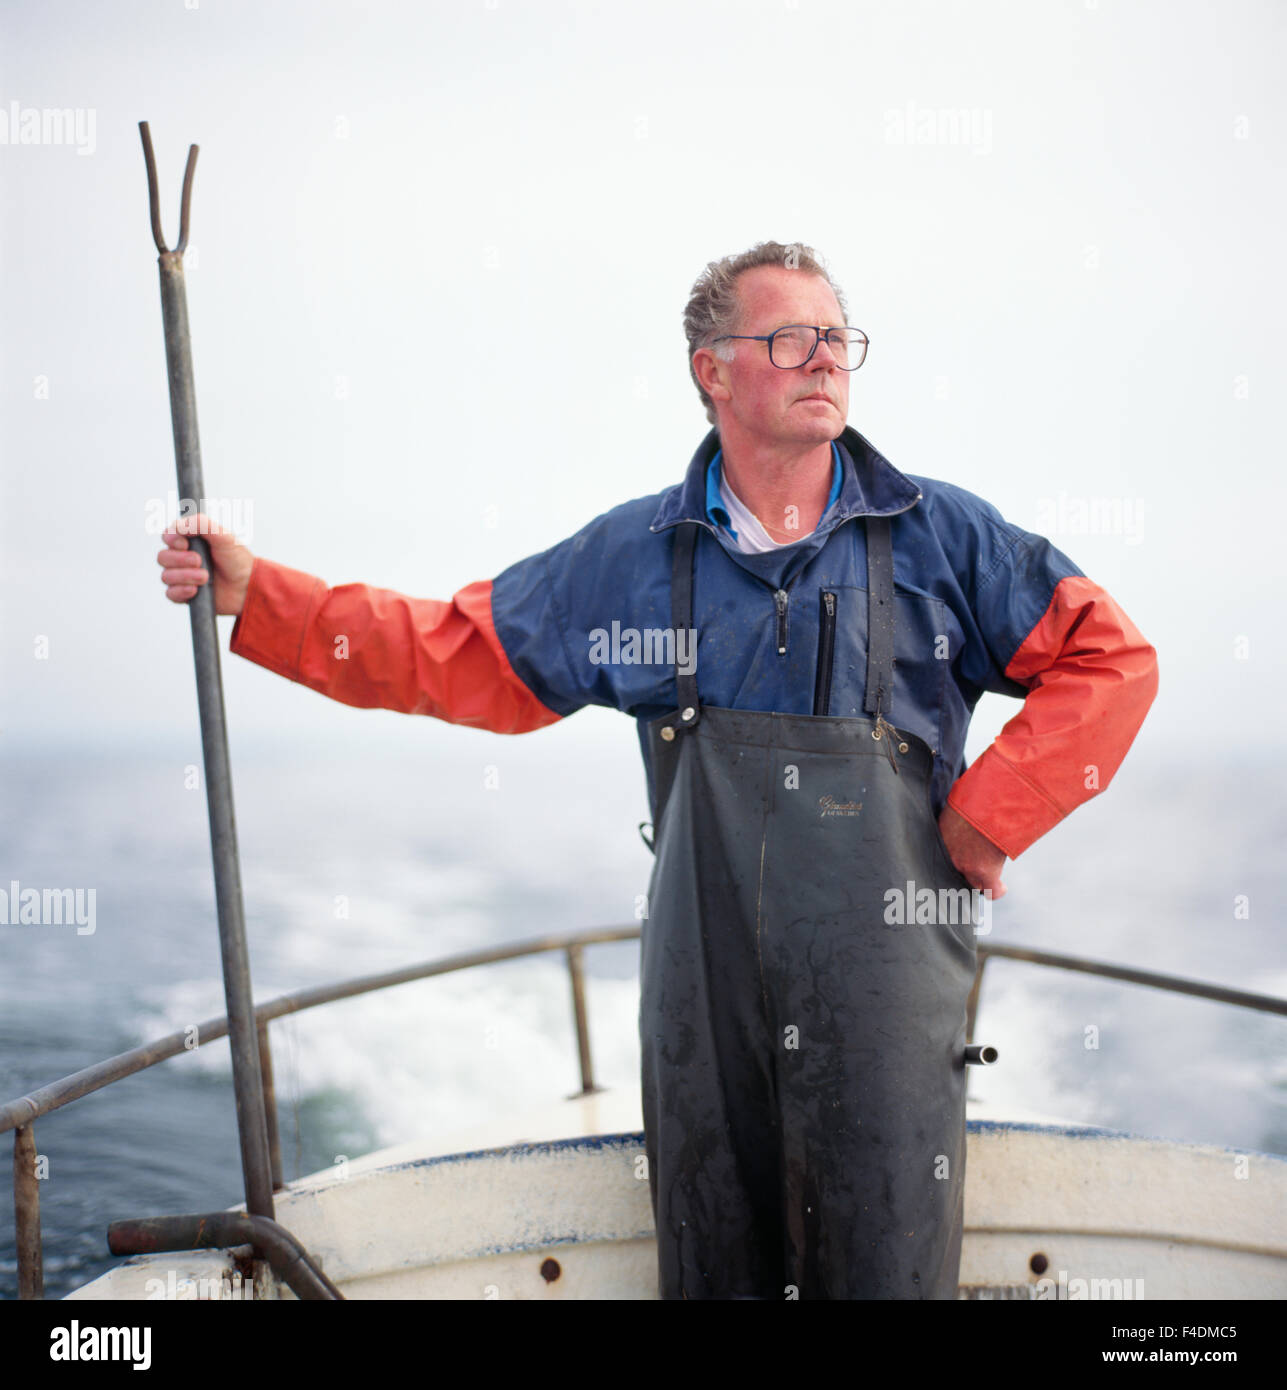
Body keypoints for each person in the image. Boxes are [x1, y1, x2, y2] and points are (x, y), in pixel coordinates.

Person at [157, 240, 1158, 1299]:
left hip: (888, 998)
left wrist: (989, 816)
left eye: (837, 338)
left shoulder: (941, 536)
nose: (824, 359)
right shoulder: (637, 558)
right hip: (704, 1001)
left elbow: (1114, 661)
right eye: (790, 338)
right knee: (712, 1258)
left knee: (886, 1259)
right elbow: (453, 650)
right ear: (712, 370)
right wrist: (260, 596)